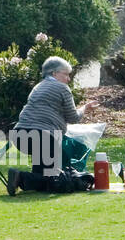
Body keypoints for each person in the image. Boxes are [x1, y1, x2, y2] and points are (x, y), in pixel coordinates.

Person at [6, 57, 94, 195]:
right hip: (45, 136)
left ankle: (23, 180)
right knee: (54, 179)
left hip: (20, 134)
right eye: (66, 74)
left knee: (42, 174)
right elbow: (73, 117)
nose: (68, 79)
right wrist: (84, 109)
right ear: (54, 73)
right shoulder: (62, 88)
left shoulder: (38, 87)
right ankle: (19, 176)